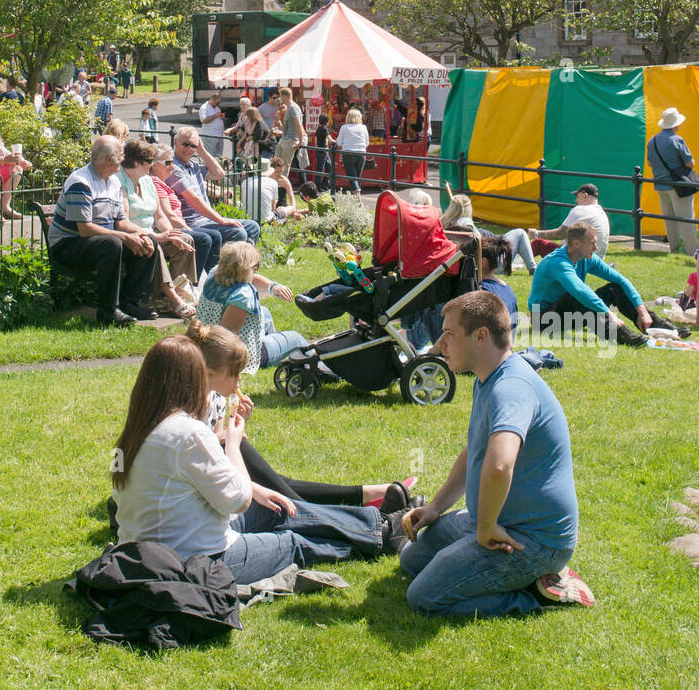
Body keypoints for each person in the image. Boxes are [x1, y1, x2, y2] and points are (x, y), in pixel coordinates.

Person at [109, 336, 404, 587]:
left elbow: (195, 490)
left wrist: (258, 490)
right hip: (195, 562)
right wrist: (234, 442)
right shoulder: (186, 432)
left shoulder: (137, 431)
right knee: (290, 542)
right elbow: (237, 501)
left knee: (277, 506)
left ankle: (377, 525)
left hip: (150, 551)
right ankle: (380, 537)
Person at [399, 291, 594, 615]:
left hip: (532, 540)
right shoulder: (487, 378)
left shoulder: (510, 388)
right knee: (412, 558)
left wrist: (487, 528)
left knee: (424, 597)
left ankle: (538, 596)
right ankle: (519, 574)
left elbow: (499, 465)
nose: (439, 343)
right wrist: (435, 507)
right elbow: (474, 452)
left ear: (481, 336)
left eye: (449, 334)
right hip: (490, 520)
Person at [193, 321, 419, 512]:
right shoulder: (188, 405)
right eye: (234, 375)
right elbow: (202, 452)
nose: (239, 381)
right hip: (210, 479)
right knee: (264, 471)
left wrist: (236, 426)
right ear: (209, 373)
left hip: (220, 466)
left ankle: (365, 496)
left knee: (279, 482)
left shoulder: (217, 397)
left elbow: (216, 436)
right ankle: (345, 509)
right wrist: (232, 438)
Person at [48, 135, 161, 325]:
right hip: (68, 245)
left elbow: (121, 222)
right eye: (121, 155)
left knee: (147, 241)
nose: (124, 159)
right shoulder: (81, 182)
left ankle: (130, 302)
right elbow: (84, 229)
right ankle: (108, 312)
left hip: (99, 242)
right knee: (112, 243)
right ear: (110, 160)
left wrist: (146, 234)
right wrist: (125, 237)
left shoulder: (114, 182)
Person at [528, 222, 671, 348]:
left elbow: (620, 280)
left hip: (566, 313)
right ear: (577, 243)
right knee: (577, 296)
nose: (596, 248)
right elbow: (579, 290)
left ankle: (652, 325)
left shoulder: (586, 258)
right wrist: (609, 314)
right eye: (592, 243)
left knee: (614, 287)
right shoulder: (558, 262)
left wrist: (642, 310)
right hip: (543, 320)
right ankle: (620, 334)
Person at [195, 240, 309, 373]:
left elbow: (253, 278)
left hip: (205, 343)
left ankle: (272, 345)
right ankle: (319, 370)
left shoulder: (214, 273)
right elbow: (225, 337)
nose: (256, 269)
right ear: (244, 268)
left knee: (264, 312)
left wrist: (273, 286)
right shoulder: (242, 296)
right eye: (255, 266)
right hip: (241, 356)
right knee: (296, 338)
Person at [118, 137, 198, 318]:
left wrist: (170, 233)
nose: (152, 165)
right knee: (153, 243)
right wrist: (157, 236)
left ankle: (183, 292)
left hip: (150, 233)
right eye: (149, 161)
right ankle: (173, 297)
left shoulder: (147, 181)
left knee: (185, 240)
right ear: (138, 163)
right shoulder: (119, 181)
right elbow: (123, 222)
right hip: (132, 236)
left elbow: (160, 216)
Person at [166, 127, 259, 272]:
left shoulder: (193, 166)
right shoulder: (173, 167)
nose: (189, 149)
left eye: (193, 146)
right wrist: (221, 220)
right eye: (185, 144)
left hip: (206, 220)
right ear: (176, 142)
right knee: (238, 233)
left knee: (252, 227)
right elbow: (193, 199)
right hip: (192, 222)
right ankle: (227, 274)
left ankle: (244, 270)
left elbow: (219, 174)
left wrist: (201, 150)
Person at [149, 145, 216, 281]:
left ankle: (211, 282)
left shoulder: (163, 182)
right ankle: (189, 284)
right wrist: (188, 229)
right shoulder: (156, 182)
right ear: (155, 165)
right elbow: (168, 215)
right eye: (168, 163)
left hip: (177, 225)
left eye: (172, 162)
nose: (172, 167)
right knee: (204, 239)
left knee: (214, 236)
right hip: (168, 228)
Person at [443, 191, 537, 275]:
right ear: (468, 208)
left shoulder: (445, 224)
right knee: (520, 233)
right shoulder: (465, 222)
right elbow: (478, 241)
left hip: (465, 263)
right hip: (489, 264)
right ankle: (533, 269)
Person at [647, 107, 699, 255]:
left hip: (660, 185)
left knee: (669, 220)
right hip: (678, 185)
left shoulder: (652, 141)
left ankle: (674, 249)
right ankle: (693, 253)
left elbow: (650, 163)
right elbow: (690, 163)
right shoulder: (677, 140)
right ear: (675, 124)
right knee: (687, 221)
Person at [529, 183, 611, 259]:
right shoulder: (602, 214)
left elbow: (560, 234)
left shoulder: (581, 209)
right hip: (597, 259)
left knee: (538, 244)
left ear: (585, 196)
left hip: (578, 258)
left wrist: (536, 234)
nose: (576, 201)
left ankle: (518, 261)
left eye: (577, 197)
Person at [336, 106, 368, 201]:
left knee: (352, 176)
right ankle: (356, 198)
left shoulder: (344, 127)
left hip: (348, 152)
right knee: (357, 177)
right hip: (361, 153)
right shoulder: (363, 127)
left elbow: (339, 143)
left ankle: (358, 198)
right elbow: (367, 142)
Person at [275, 86, 305, 178]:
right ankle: (277, 187)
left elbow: (298, 124)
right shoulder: (290, 107)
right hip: (285, 139)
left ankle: (282, 190)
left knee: (283, 168)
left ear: (285, 96)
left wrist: (300, 141)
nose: (280, 99)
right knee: (276, 164)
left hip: (290, 140)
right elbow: (288, 127)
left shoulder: (293, 108)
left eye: (281, 96)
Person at [239, 158, 278, 226]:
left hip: (247, 219)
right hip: (266, 220)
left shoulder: (245, 182)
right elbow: (273, 206)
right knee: (285, 210)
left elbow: (242, 200)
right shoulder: (273, 183)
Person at [198, 91, 226, 159]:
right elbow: (204, 120)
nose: (218, 104)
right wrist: (215, 116)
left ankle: (217, 169)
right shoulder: (204, 107)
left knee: (218, 157)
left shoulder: (217, 108)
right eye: (217, 102)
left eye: (219, 103)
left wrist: (221, 118)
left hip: (219, 136)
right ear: (213, 99)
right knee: (210, 157)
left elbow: (217, 119)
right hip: (210, 136)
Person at [313, 111, 335, 191]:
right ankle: (318, 186)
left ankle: (323, 184)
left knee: (327, 167)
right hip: (323, 152)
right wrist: (335, 142)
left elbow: (315, 140)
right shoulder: (325, 129)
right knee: (322, 169)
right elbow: (330, 139)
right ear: (327, 121)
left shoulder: (318, 128)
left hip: (320, 150)